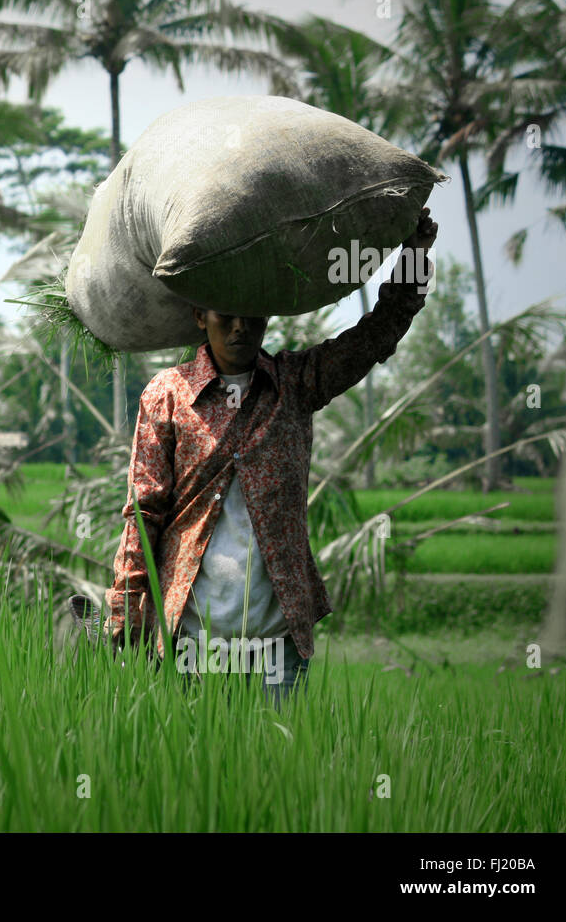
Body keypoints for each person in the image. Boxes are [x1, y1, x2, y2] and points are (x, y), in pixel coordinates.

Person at [103, 207, 440, 709]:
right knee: (191, 777)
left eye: (251, 315)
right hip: (190, 638)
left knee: (273, 774)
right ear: (200, 315)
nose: (240, 328)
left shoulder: (296, 384)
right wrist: (126, 613)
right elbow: (143, 509)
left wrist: (414, 254)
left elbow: (380, 330)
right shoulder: (167, 397)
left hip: (274, 645)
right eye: (225, 315)